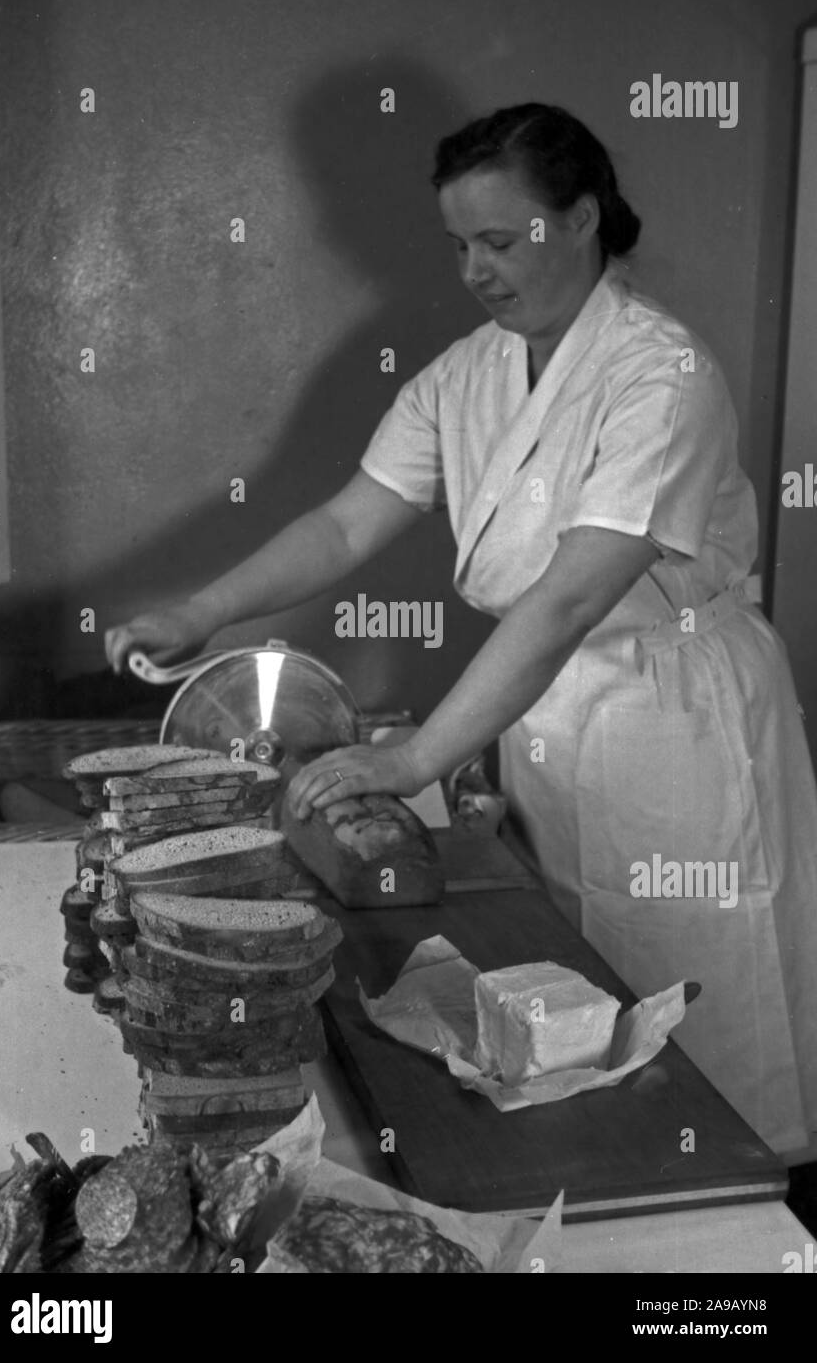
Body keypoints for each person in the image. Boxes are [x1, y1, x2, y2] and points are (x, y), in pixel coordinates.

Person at [106, 102, 817, 1159]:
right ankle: (605, 1193)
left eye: (500, 240)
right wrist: (200, 610)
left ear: (579, 220)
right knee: (573, 980)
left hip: (675, 718)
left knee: (699, 989)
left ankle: (743, 1218)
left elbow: (571, 596)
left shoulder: (661, 376)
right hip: (550, 710)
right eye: (460, 245)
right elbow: (348, 520)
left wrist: (413, 756)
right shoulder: (470, 373)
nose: (476, 269)